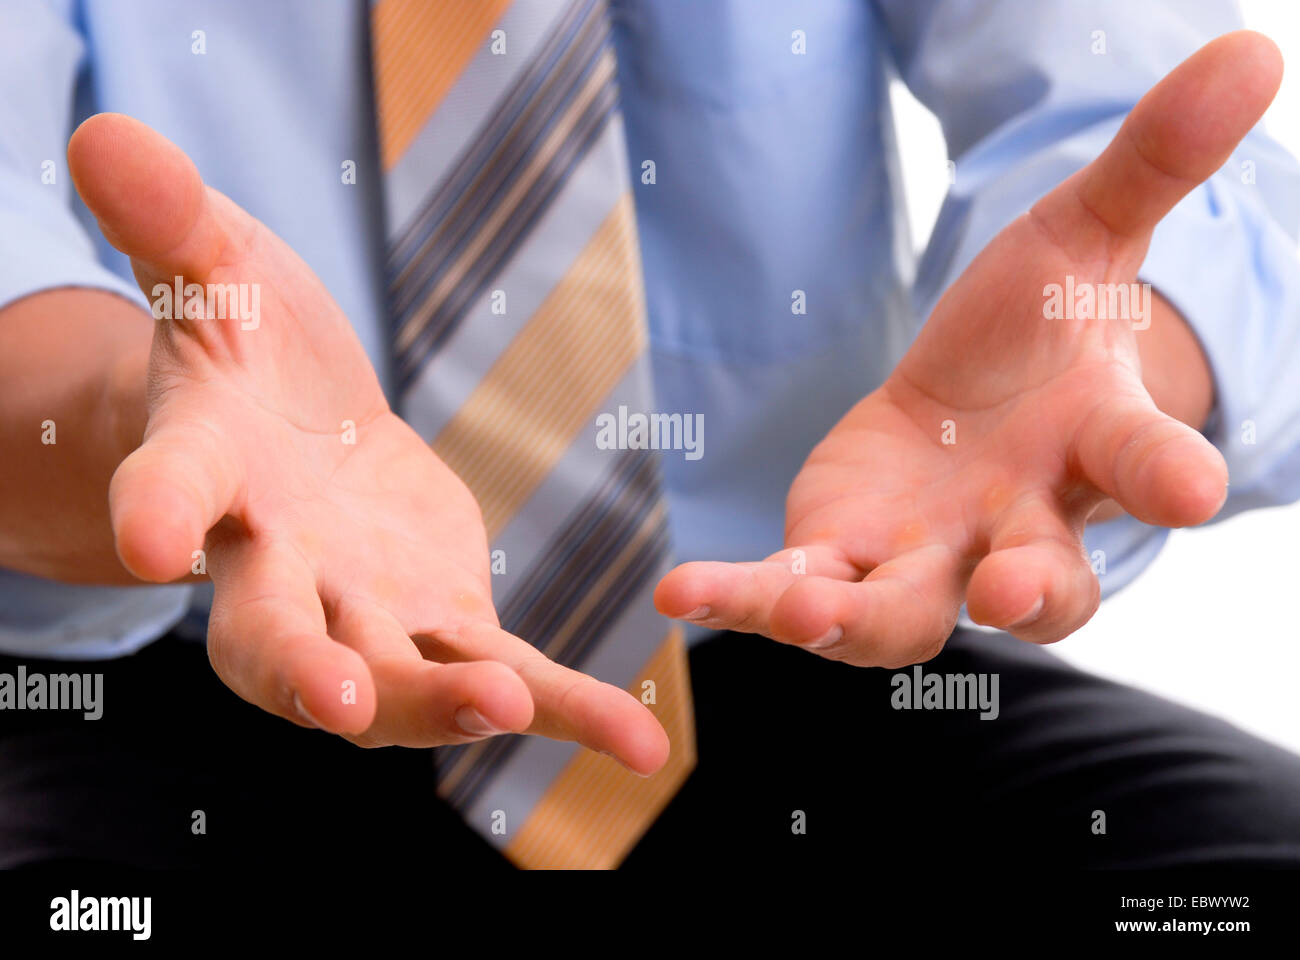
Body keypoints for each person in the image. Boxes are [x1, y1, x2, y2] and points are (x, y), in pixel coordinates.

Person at [2, 0, 1299, 870]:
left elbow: (1137, 137)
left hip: (799, 640)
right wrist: (153, 417)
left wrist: (1106, 343)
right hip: (192, 664)